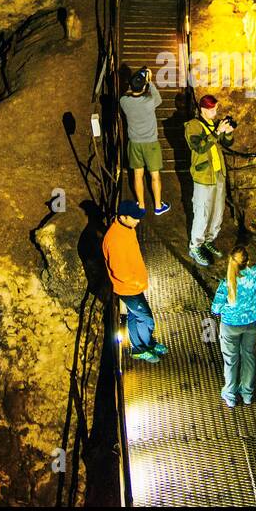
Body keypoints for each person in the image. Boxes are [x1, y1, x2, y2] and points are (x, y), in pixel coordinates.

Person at [211, 209, 256, 408]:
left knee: (231, 361)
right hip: (252, 323)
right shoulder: (255, 274)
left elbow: (215, 309)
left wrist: (225, 309)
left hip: (230, 326)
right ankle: (248, 394)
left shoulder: (226, 284)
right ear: (248, 261)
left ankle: (231, 395)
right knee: (249, 357)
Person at [102, 200, 168, 363]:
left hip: (133, 284)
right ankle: (140, 348)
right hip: (128, 288)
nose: (138, 221)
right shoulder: (115, 239)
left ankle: (145, 345)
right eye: (135, 218)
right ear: (123, 217)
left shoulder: (126, 227)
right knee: (146, 319)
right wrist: (136, 282)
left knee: (135, 315)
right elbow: (119, 271)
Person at [185, 94, 235, 266]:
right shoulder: (193, 125)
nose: (215, 112)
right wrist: (217, 132)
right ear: (203, 110)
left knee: (217, 211)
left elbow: (227, 143)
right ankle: (195, 246)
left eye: (216, 109)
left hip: (218, 174)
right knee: (202, 213)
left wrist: (227, 134)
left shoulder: (215, 124)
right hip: (204, 177)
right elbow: (199, 147)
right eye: (212, 109)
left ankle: (209, 239)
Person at [119, 67, 169, 215]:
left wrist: (138, 82)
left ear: (130, 86)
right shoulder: (150, 101)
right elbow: (158, 98)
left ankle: (141, 205)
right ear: (144, 86)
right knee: (155, 176)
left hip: (134, 143)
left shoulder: (124, 102)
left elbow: (127, 94)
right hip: (151, 144)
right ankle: (158, 206)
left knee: (137, 175)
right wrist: (150, 81)